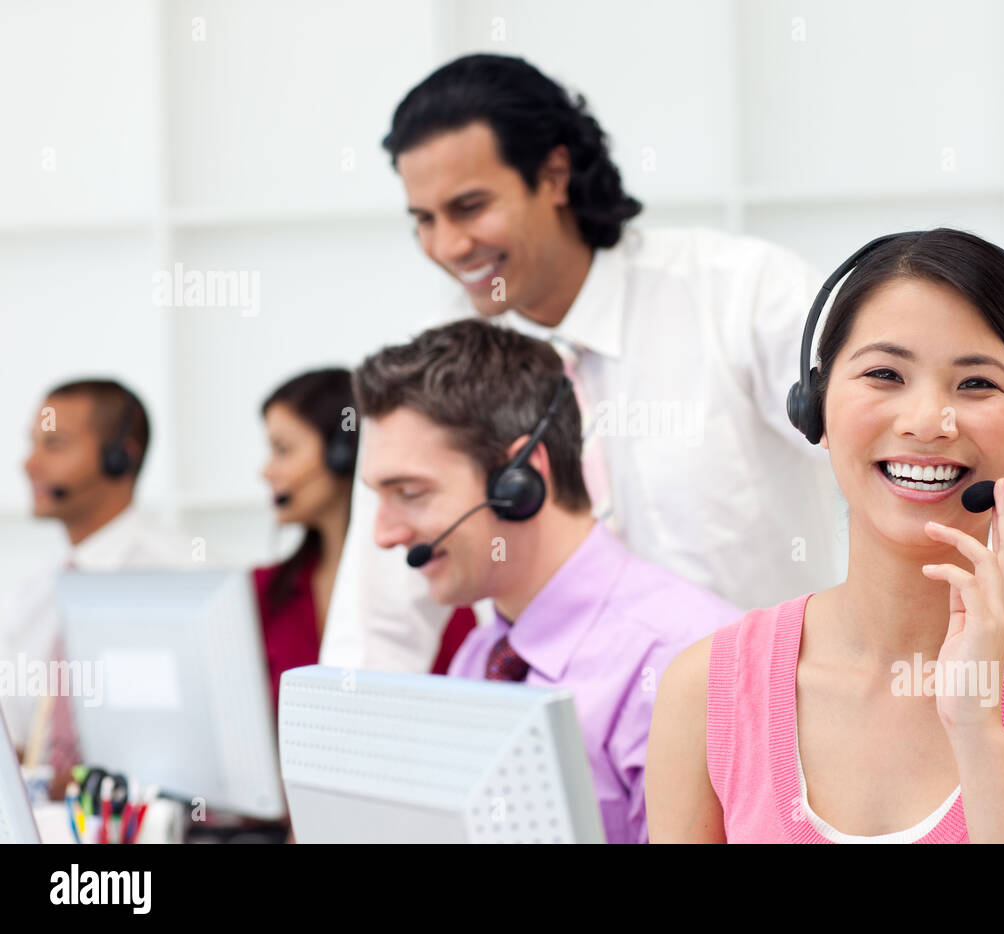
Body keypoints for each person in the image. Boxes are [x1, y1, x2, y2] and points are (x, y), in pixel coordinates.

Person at [646, 229, 1004, 843]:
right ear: (814, 408)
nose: (929, 422)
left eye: (977, 383)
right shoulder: (706, 689)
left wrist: (978, 729)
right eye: (884, 373)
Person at [321, 53, 842, 673]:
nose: (448, 247)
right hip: (561, 744)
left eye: (469, 207)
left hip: (766, 718)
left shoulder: (742, 293)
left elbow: (883, 462)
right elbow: (377, 622)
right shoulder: (432, 370)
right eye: (424, 221)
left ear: (555, 175)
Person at [353, 319, 740, 844]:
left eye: (411, 493)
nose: (385, 534)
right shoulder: (480, 658)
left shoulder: (688, 661)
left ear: (518, 480)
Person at [0, 379, 191, 793]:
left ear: (120, 457)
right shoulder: (31, 593)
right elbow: (13, 744)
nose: (28, 465)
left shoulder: (182, 580)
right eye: (32, 444)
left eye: (54, 445)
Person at [253, 369, 475, 712]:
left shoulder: (433, 583)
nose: (266, 471)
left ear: (339, 454)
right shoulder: (265, 591)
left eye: (283, 450)